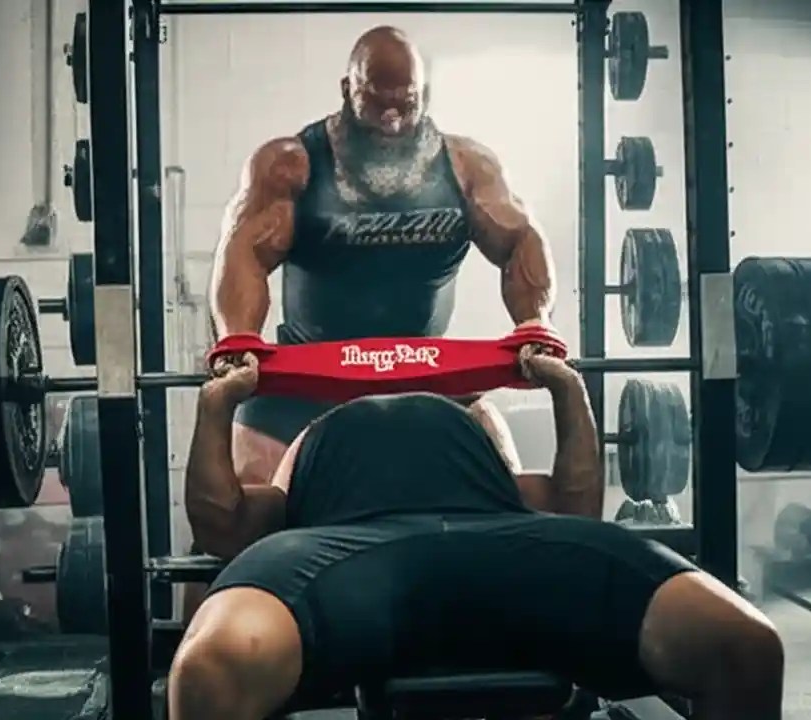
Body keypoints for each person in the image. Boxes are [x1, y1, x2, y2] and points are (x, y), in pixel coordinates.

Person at [170, 349, 786, 720]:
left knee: (746, 646)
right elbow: (221, 522)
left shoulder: (473, 425)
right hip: (342, 551)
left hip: (507, 537)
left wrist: (565, 387)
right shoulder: (316, 436)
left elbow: (576, 504)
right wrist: (217, 404)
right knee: (208, 674)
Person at [207, 24, 556, 485]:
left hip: (424, 373)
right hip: (307, 376)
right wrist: (238, 342)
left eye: (405, 103)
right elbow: (244, 253)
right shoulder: (292, 164)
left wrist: (534, 326)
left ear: (424, 95)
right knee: (248, 497)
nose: (391, 118)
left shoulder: (468, 168)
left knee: (503, 480)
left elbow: (520, 240)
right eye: (376, 101)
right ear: (347, 89)